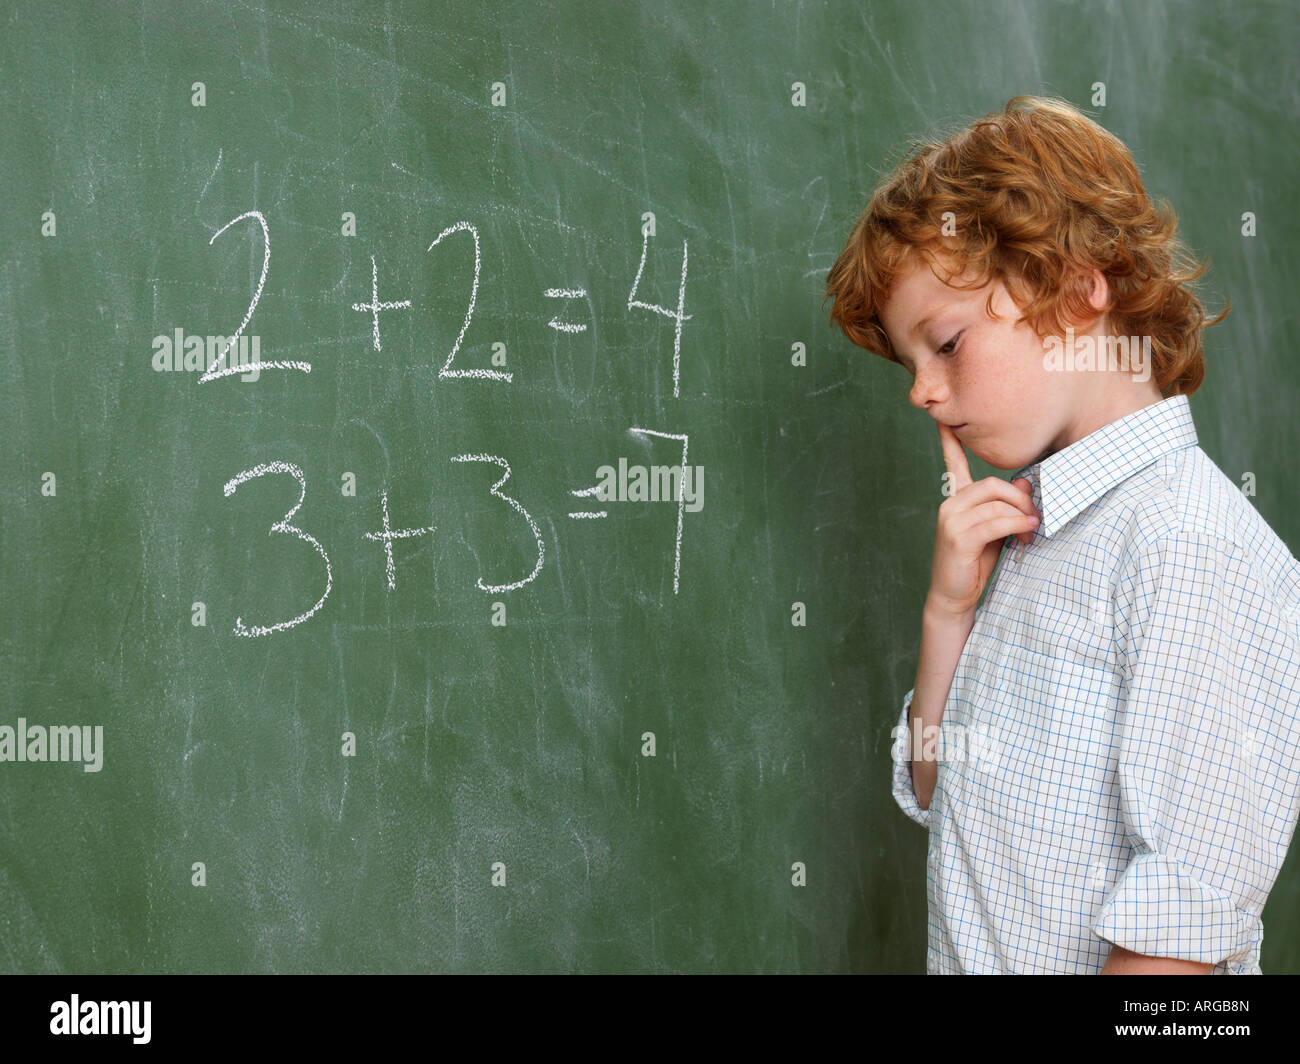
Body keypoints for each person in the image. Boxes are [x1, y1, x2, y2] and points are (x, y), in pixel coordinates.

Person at [824, 95, 1300, 974]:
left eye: (946, 344)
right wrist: (946, 615)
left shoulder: (1185, 543)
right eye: (910, 365)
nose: (921, 392)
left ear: (1082, 292)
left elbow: (1182, 933)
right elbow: (937, 788)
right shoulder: (1039, 534)